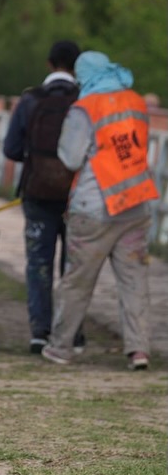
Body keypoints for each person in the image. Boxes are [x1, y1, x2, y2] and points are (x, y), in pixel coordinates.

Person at [41, 51, 160, 370]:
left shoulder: (86, 107)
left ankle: (61, 347)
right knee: (134, 280)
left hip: (95, 207)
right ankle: (139, 350)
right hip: (136, 203)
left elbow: (70, 157)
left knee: (77, 280)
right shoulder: (136, 101)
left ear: (84, 77)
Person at [3, 40, 84, 354]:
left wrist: (38, 159)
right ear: (77, 67)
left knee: (39, 264)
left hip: (37, 195)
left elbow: (11, 149)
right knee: (74, 267)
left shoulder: (30, 100)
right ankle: (72, 333)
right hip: (77, 197)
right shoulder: (84, 101)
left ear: (49, 64)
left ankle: (40, 332)